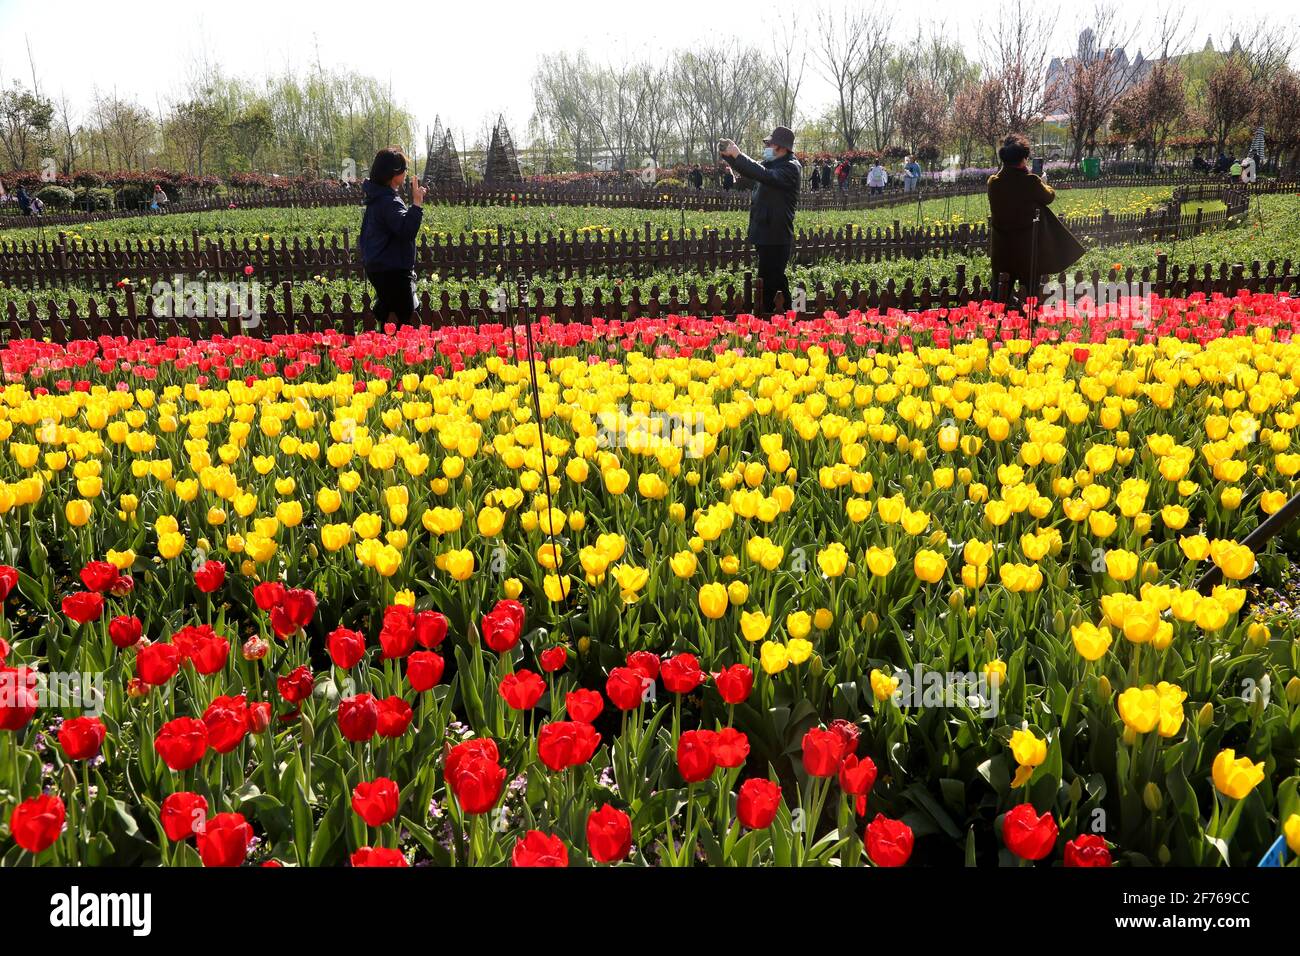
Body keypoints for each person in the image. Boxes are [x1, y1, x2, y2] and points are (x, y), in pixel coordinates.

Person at [987, 132, 1084, 305]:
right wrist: (1042, 181)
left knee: (999, 295)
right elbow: (1049, 197)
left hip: (1002, 250)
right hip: (1027, 250)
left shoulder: (993, 183)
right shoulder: (1031, 181)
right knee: (1030, 294)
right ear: (1023, 158)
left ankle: (994, 327)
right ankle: (1028, 326)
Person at [718, 125, 800, 313]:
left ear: (781, 147)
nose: (766, 147)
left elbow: (763, 174)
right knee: (773, 280)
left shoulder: (790, 168)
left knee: (773, 281)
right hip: (766, 233)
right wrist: (730, 156)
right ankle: (786, 317)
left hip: (776, 235)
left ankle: (779, 318)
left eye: (769, 144)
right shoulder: (774, 164)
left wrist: (738, 155)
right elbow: (752, 172)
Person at [359, 146, 425, 324]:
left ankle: (383, 315)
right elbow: (406, 231)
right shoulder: (388, 201)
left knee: (390, 315)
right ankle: (397, 349)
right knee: (405, 317)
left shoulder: (377, 197)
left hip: (379, 265)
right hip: (392, 269)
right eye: (404, 169)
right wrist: (417, 205)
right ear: (394, 173)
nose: (406, 173)